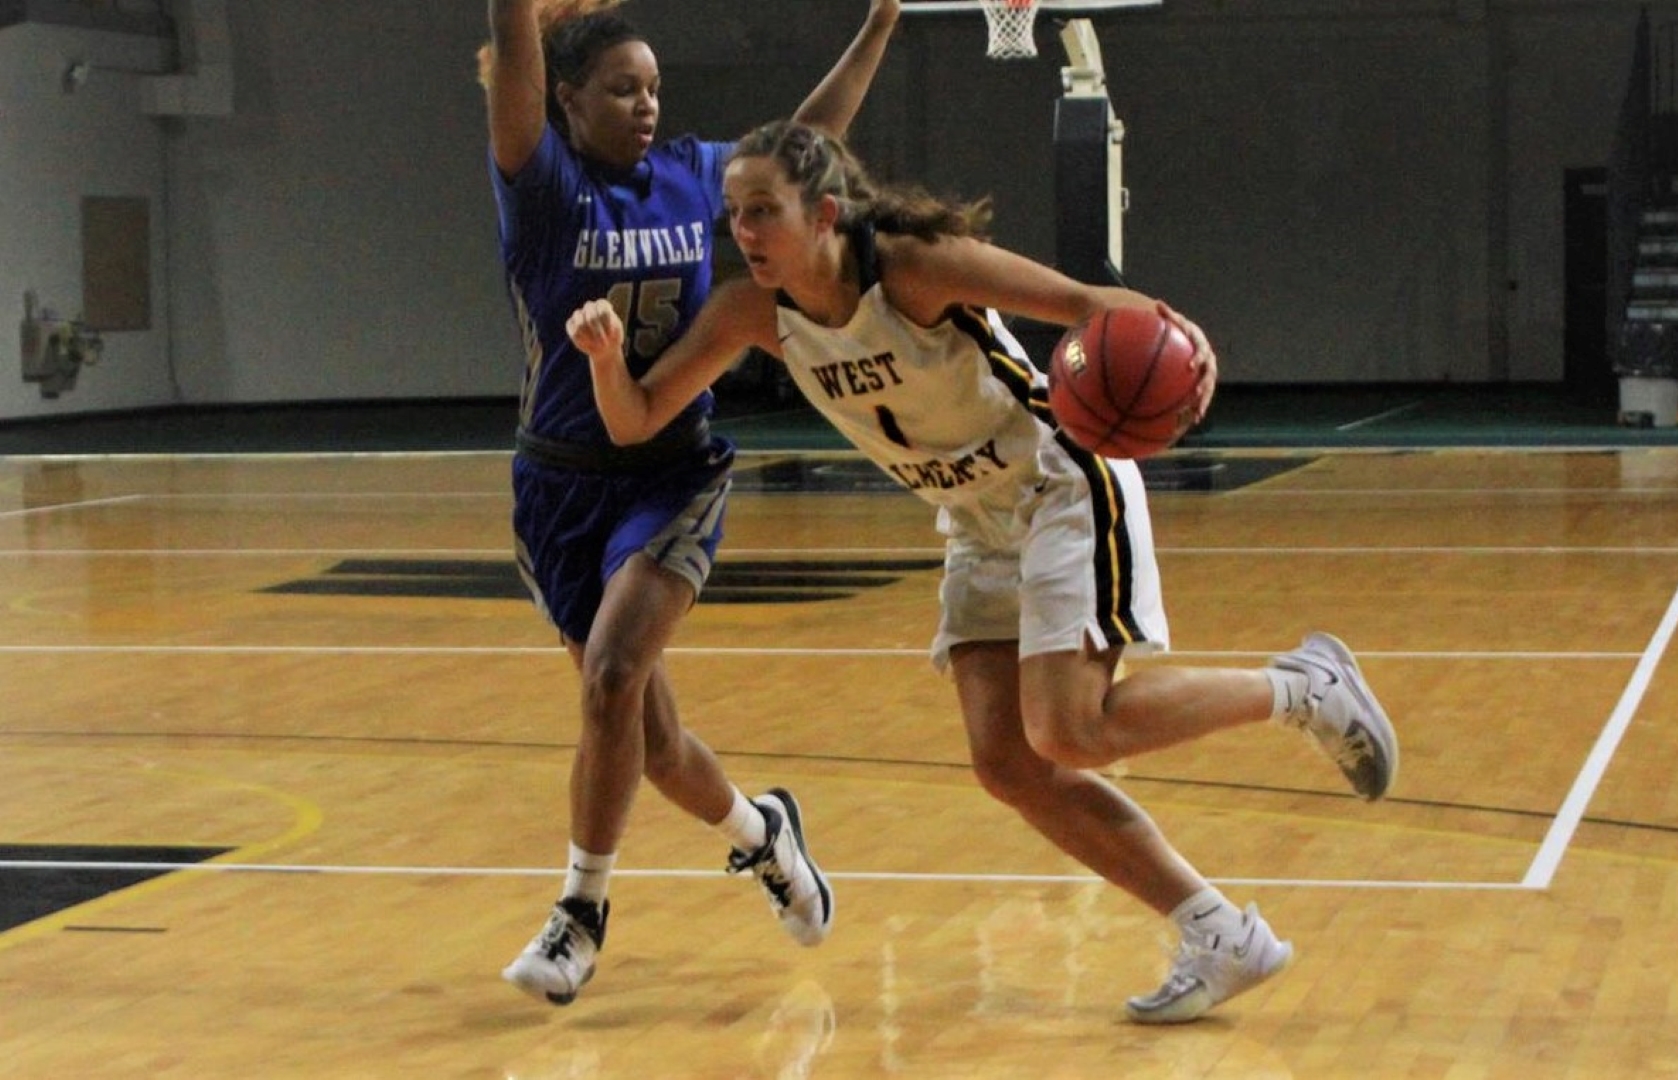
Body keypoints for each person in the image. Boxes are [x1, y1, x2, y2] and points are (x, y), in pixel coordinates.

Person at [564, 119, 1402, 1025]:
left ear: (826, 213)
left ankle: (1303, 688)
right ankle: (1220, 934)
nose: (746, 233)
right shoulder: (750, 314)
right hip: (973, 521)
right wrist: (608, 361)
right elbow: (637, 419)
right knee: (1007, 761)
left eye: (764, 211)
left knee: (1073, 732)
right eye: (735, 214)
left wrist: (1184, 347)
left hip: (1058, 484)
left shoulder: (916, 267)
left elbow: (1089, 302)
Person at [477, 2, 901, 1006]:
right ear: (567, 100)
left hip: (671, 466)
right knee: (653, 744)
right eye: (623, 89)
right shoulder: (541, 187)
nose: (647, 104)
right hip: (555, 485)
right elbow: (513, 81)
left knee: (614, 676)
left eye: (655, 87)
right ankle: (765, 836)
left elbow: (806, 148)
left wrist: (882, 17)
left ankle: (580, 913)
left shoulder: (692, 170)